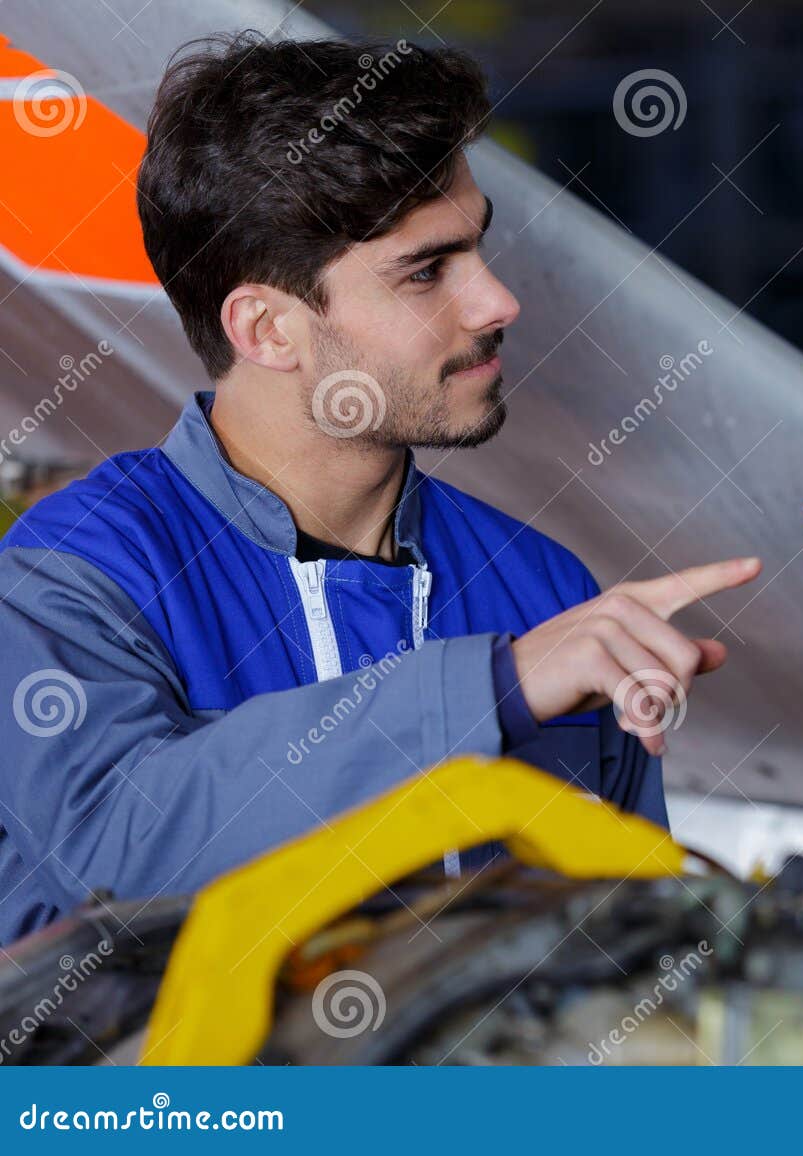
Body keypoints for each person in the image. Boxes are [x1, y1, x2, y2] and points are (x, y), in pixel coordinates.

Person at [0, 35, 759, 945]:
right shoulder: (70, 581)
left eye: (478, 246)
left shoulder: (549, 593)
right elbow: (108, 853)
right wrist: (494, 691)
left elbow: (637, 958)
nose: (498, 302)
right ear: (268, 329)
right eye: (427, 271)